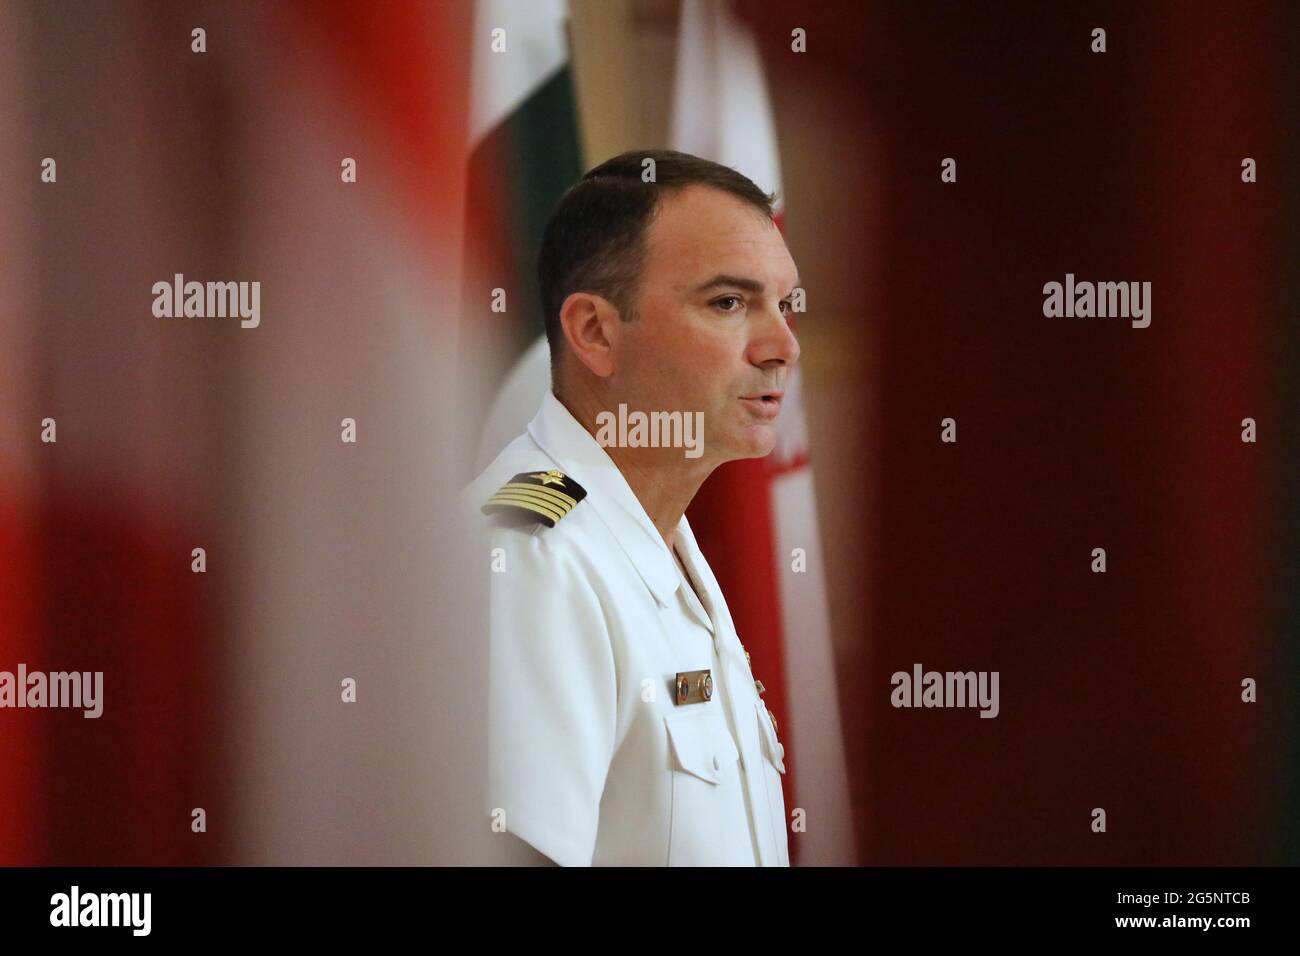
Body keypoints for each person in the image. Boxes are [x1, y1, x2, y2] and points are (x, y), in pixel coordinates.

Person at [467, 148, 801, 866]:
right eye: (729, 303)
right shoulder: (532, 557)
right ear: (594, 331)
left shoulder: (656, 534)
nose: (781, 346)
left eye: (786, 304)